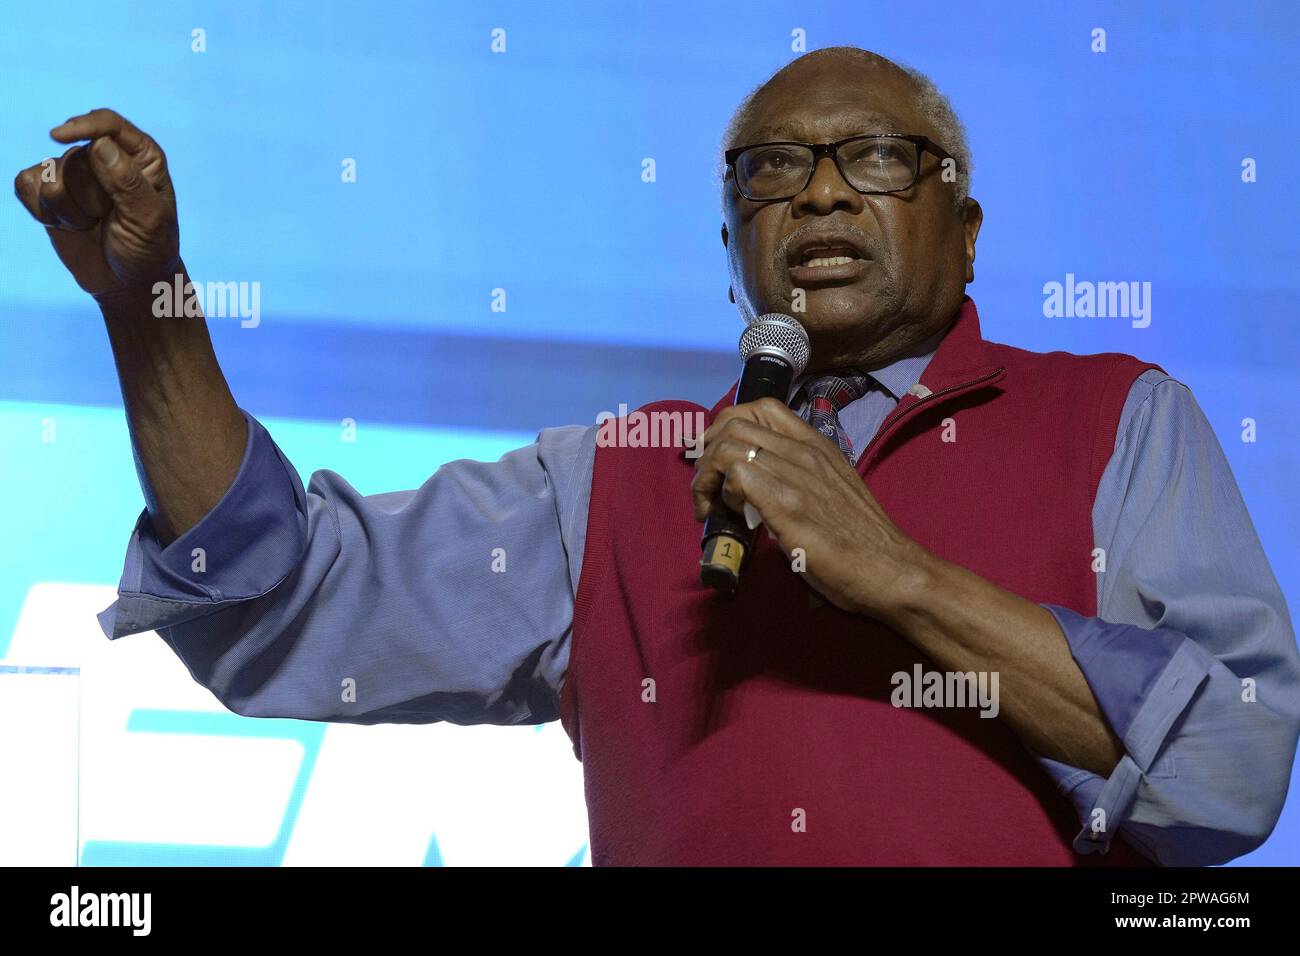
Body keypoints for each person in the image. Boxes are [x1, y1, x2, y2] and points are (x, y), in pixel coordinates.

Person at [14, 46, 1299, 867]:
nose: (821, 194)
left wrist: (893, 573)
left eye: (878, 159)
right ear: (728, 249)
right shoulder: (618, 475)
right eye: (772, 171)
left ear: (963, 233)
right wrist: (148, 302)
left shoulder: (1119, 417)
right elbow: (280, 612)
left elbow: (1232, 767)